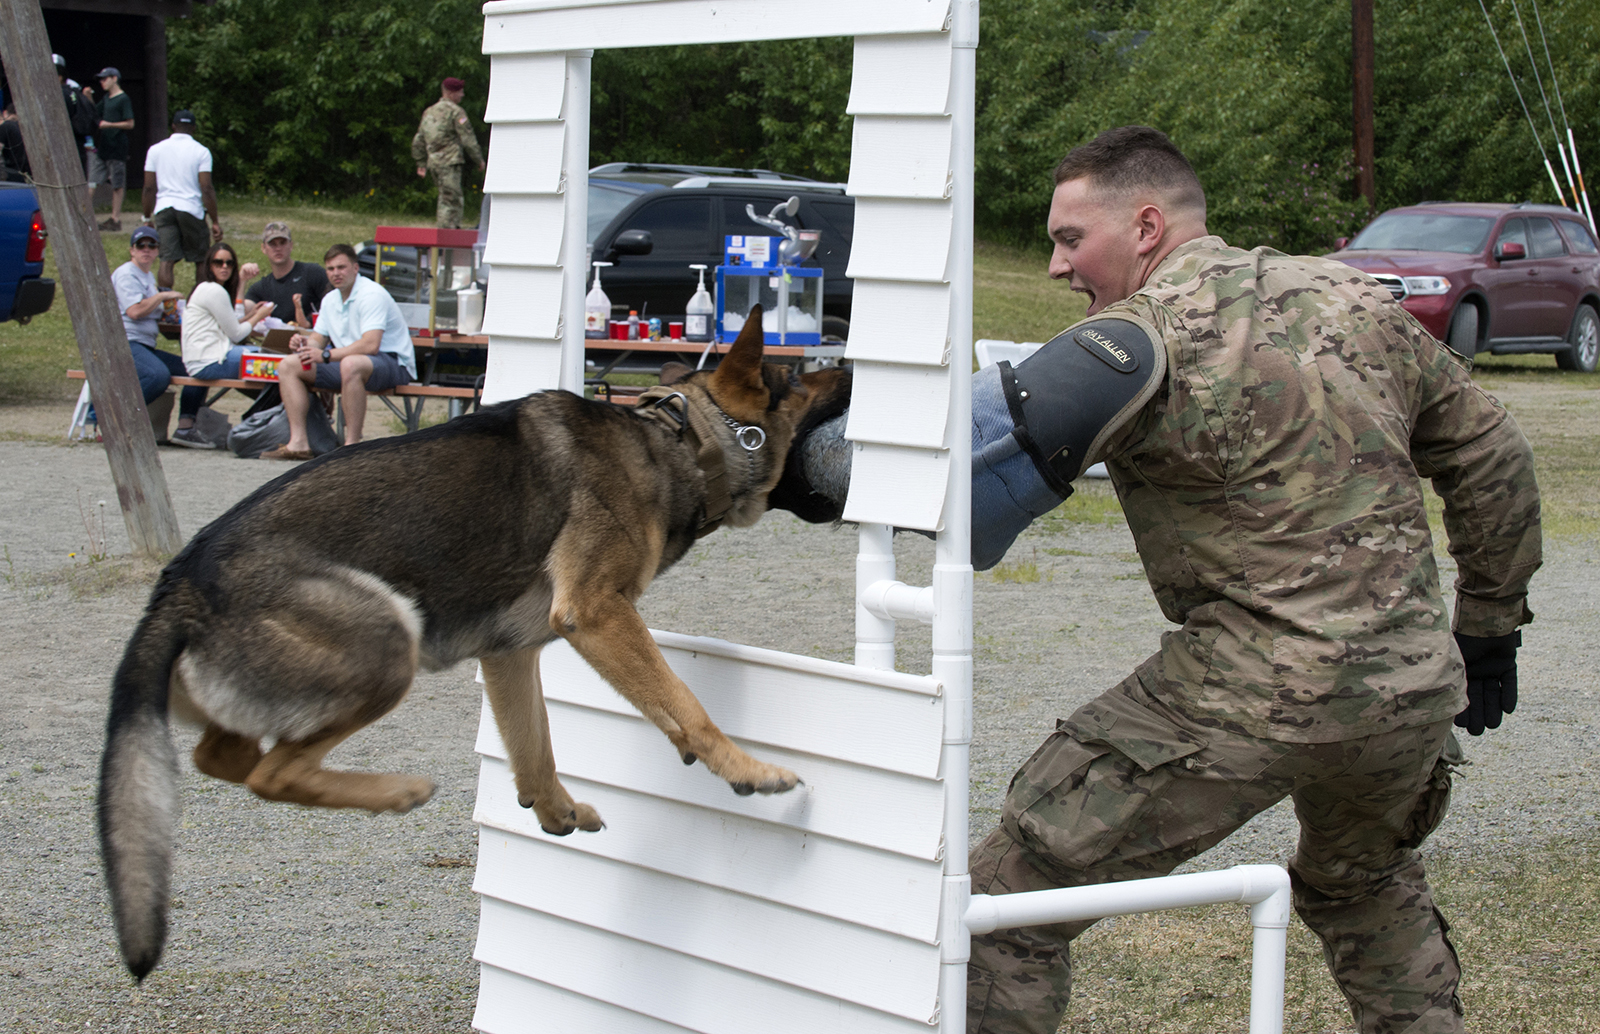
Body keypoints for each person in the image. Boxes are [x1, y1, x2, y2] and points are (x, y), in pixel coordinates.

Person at [964, 126, 1541, 1034]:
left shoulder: (1141, 334)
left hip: (1253, 688)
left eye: (1071, 239)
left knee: (1004, 905)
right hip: (1407, 688)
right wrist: (1488, 629)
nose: (1052, 267)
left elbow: (984, 478)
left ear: (1146, 226)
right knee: (1363, 883)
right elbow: (1490, 449)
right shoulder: (1354, 297)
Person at [266, 243, 416, 460]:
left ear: (355, 268)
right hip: (349, 363)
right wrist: (304, 345)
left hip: (392, 363)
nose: (335, 273)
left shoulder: (372, 294)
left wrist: (326, 355)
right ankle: (298, 443)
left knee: (351, 364)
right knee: (289, 364)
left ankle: (351, 447)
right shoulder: (330, 300)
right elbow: (319, 338)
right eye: (330, 269)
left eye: (341, 267)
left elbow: (370, 345)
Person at [174, 242, 274, 448]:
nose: (224, 267)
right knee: (275, 364)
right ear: (209, 265)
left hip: (204, 358)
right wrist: (259, 316)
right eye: (218, 262)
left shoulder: (210, 289)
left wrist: (242, 285)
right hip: (211, 360)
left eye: (229, 263)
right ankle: (258, 427)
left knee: (272, 363)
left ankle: (260, 424)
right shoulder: (212, 290)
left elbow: (234, 321)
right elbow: (237, 334)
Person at [96, 225, 186, 438]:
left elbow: (150, 310)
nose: (146, 249)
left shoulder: (147, 277)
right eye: (141, 245)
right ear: (132, 250)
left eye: (151, 245)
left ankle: (187, 427)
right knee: (157, 375)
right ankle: (111, 419)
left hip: (145, 345)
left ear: (157, 251)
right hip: (124, 343)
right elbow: (135, 311)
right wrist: (162, 297)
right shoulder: (127, 273)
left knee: (193, 368)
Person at [141, 109, 223, 290]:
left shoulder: (155, 150)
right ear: (193, 128)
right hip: (191, 208)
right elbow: (206, 188)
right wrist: (214, 221)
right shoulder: (201, 151)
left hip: (164, 207)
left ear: (173, 126)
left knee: (166, 259)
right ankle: (199, 303)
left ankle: (167, 305)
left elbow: (148, 187)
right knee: (201, 259)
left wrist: (147, 217)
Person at [411, 76, 484, 229]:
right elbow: (468, 139)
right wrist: (479, 160)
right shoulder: (456, 112)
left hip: (434, 163)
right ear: (451, 93)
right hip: (450, 161)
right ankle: (448, 234)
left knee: (444, 197)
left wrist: (421, 162)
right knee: (452, 200)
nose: (462, 95)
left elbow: (419, 139)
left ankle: (448, 230)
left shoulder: (429, 112)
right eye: (460, 92)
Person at [243, 221, 331, 326]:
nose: (278, 248)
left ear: (291, 245)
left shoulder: (312, 273)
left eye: (282, 243)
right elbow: (241, 313)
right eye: (272, 244)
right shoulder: (262, 287)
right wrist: (242, 279)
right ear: (263, 248)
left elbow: (335, 303)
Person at [89, 67, 134, 232]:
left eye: (104, 78)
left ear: (114, 78)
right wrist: (88, 98)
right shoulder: (107, 98)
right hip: (103, 146)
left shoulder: (123, 99)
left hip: (117, 146)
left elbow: (130, 123)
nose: (102, 82)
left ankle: (115, 218)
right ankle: (84, 214)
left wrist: (109, 125)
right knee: (92, 180)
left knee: (117, 183)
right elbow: (95, 113)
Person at [0, 104, 28, 183]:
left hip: (12, 178)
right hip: (27, 175)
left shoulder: (3, 128)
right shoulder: (19, 126)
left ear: (5, 113)